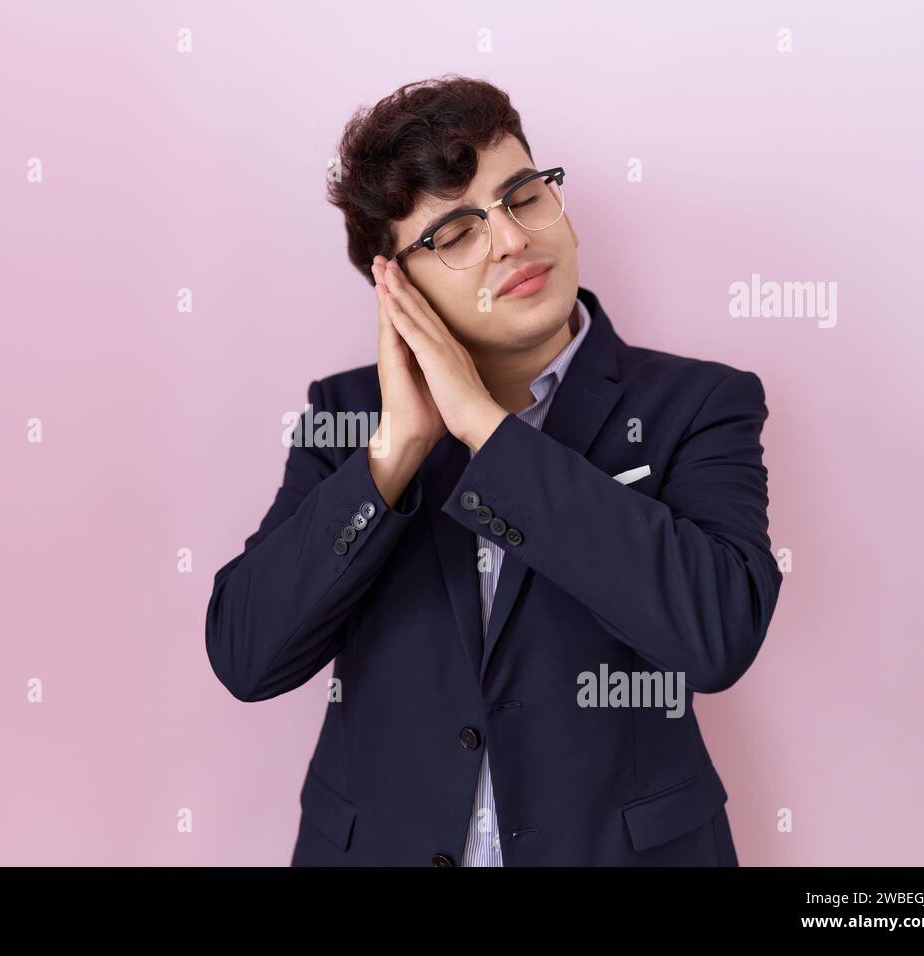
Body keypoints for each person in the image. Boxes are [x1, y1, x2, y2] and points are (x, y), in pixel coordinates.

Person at [205, 74, 783, 866]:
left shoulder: (700, 402)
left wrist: (485, 428)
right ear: (396, 286)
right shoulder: (348, 419)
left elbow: (718, 635)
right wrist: (396, 454)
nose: (512, 239)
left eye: (523, 196)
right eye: (456, 232)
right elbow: (247, 655)